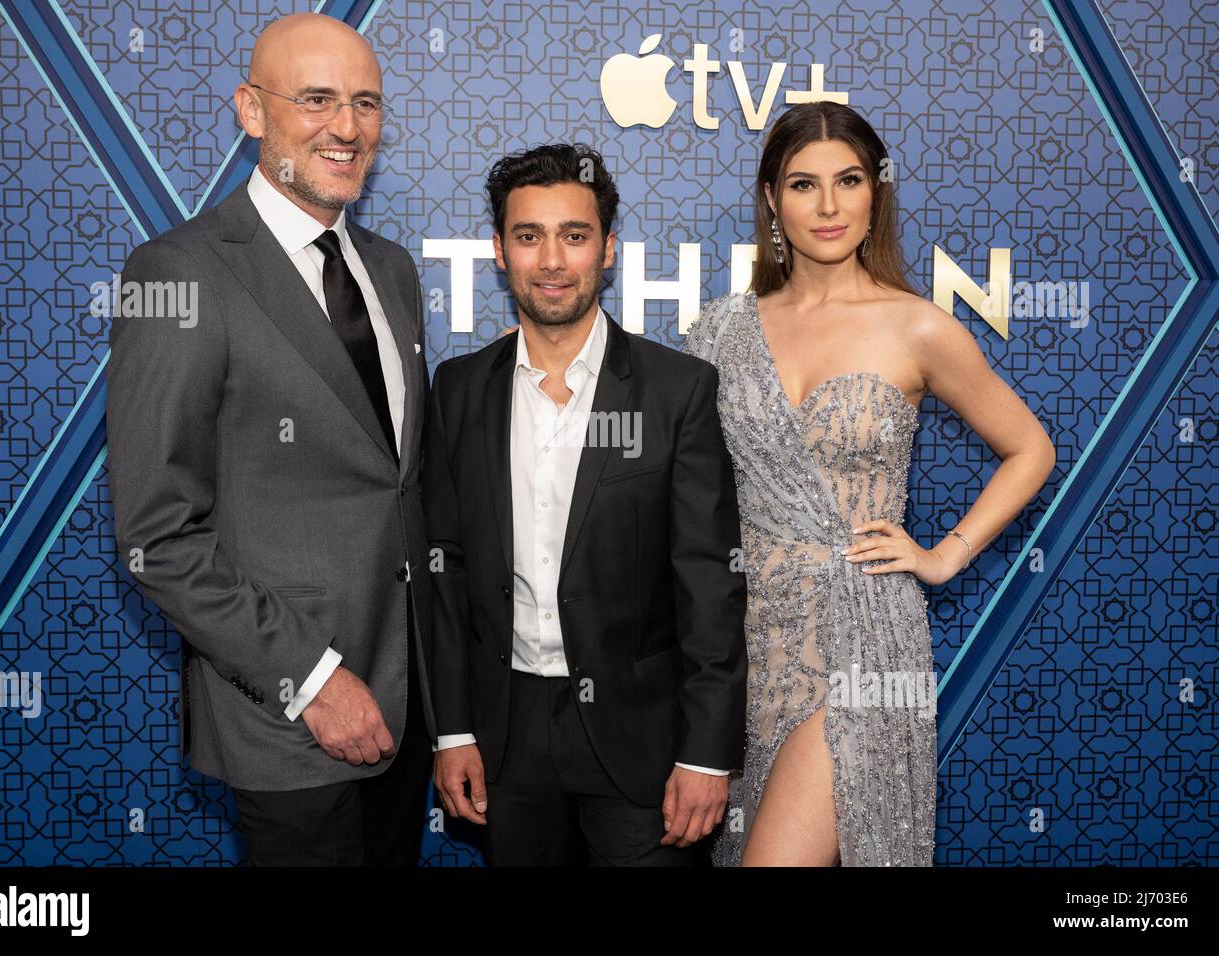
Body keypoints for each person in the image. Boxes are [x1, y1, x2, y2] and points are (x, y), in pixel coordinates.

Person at [685, 102, 1056, 866]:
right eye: (803, 184)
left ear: (876, 193)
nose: (827, 206)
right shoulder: (716, 331)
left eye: (849, 181)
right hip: (746, 640)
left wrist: (945, 554)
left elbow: (1031, 449)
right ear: (770, 199)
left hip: (864, 636)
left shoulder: (916, 327)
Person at [106, 12, 435, 866]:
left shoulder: (391, 269)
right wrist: (315, 682)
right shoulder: (176, 273)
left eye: (366, 103)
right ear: (252, 110)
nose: (348, 127)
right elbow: (158, 536)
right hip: (289, 713)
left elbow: (394, 487)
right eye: (317, 99)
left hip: (409, 704)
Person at [426, 143, 748, 865]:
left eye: (574, 236)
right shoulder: (458, 390)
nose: (551, 261)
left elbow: (710, 585)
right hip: (504, 740)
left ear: (606, 250)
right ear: (498, 250)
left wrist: (706, 753)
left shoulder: (676, 391)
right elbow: (444, 578)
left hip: (643, 746)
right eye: (527, 236)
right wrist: (451, 732)